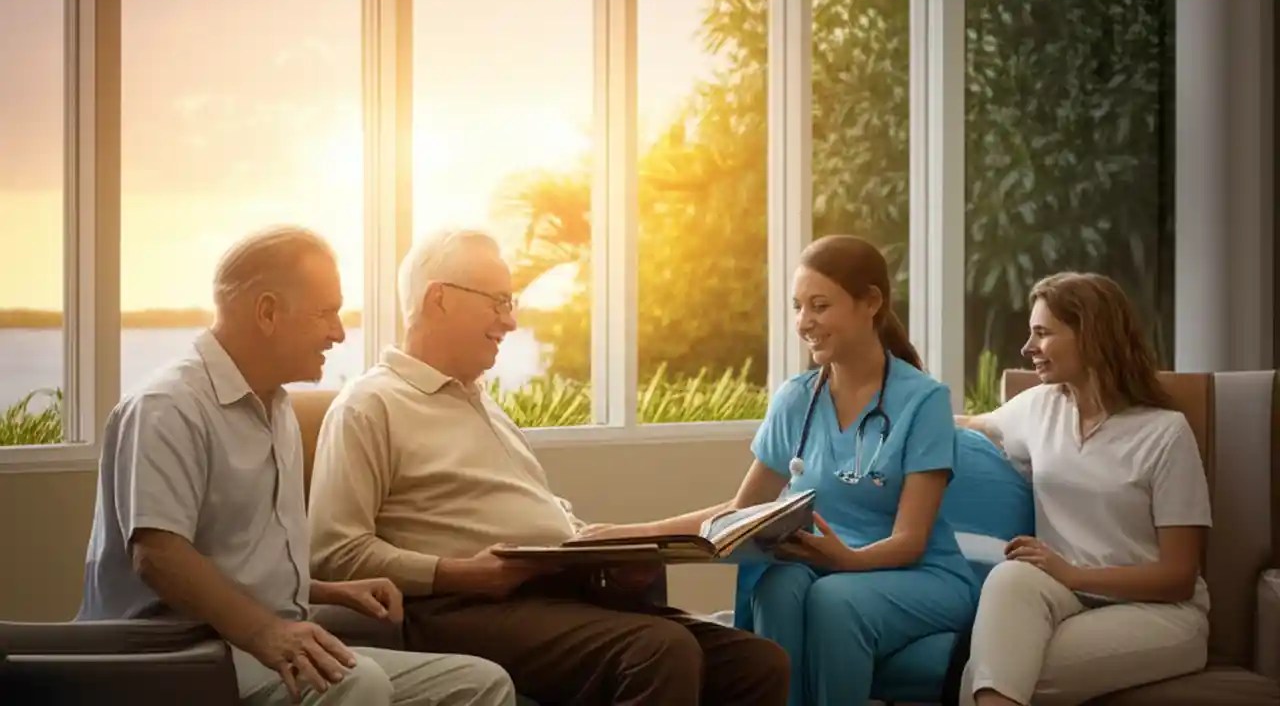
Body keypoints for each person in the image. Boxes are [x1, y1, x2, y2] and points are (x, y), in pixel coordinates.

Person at [307, 228, 790, 706]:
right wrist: (456, 573)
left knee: (757, 662)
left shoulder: (483, 405)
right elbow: (334, 550)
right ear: (440, 299)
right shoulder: (370, 404)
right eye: (498, 302)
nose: (510, 321)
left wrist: (610, 559)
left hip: (556, 592)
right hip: (460, 607)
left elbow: (536, 518)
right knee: (659, 651)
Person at [77, 226, 516, 706]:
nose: (338, 332)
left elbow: (237, 563)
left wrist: (331, 591)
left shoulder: (276, 409)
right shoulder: (168, 406)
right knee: (356, 682)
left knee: (481, 683)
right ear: (268, 312)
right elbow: (158, 556)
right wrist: (267, 633)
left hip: (249, 646)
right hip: (171, 654)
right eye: (325, 313)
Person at [582, 235, 979, 706]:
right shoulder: (797, 398)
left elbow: (910, 541)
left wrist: (846, 562)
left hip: (916, 572)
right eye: (797, 307)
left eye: (819, 305)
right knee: (776, 584)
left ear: (870, 302)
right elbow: (741, 512)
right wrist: (635, 536)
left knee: (835, 602)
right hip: (821, 567)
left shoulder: (924, 401)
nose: (804, 322)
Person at [954, 272, 1212, 706]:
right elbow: (967, 427)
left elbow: (1179, 577)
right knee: (1011, 578)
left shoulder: (1165, 433)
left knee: (996, 674)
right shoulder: (1041, 406)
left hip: (1157, 612)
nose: (1027, 348)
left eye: (1042, 333)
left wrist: (1071, 573)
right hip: (1062, 595)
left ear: (1090, 336)